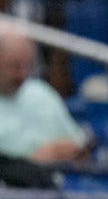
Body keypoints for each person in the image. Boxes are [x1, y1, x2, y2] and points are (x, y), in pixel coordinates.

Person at [0, 25, 91, 169]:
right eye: (15, 67)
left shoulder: (41, 92)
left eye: (27, 65)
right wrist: (31, 159)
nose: (22, 74)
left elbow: (79, 143)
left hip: (60, 176)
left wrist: (71, 151)